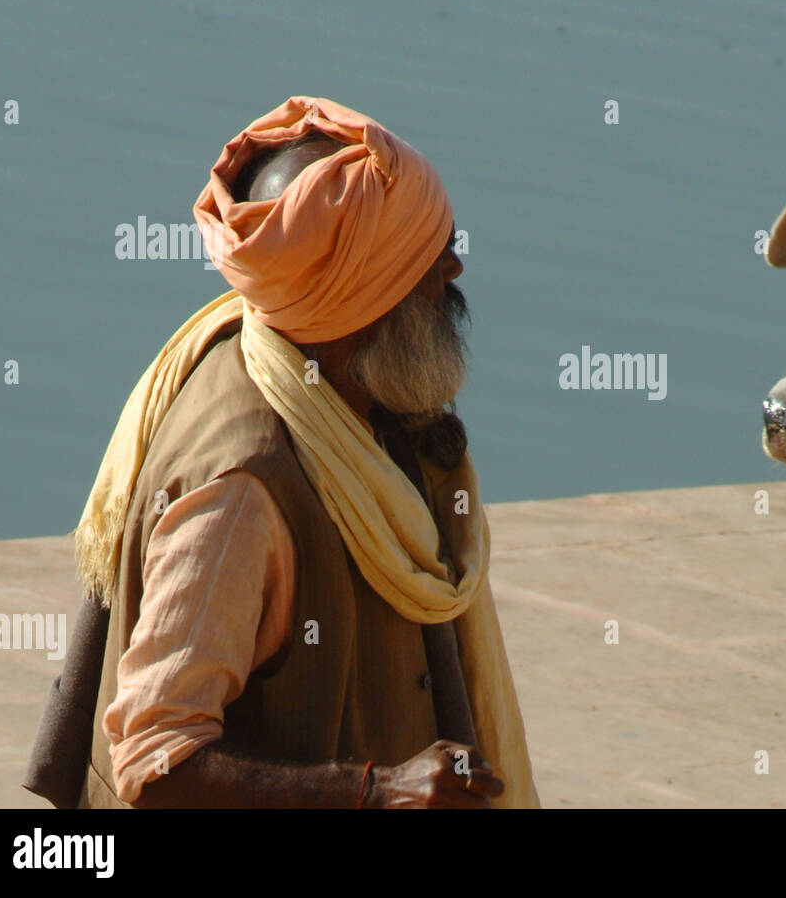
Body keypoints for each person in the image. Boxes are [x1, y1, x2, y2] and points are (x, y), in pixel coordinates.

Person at [70, 96, 538, 808]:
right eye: (426, 256)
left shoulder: (362, 396)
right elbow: (156, 762)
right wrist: (376, 792)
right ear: (359, 295)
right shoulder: (241, 493)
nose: (453, 269)